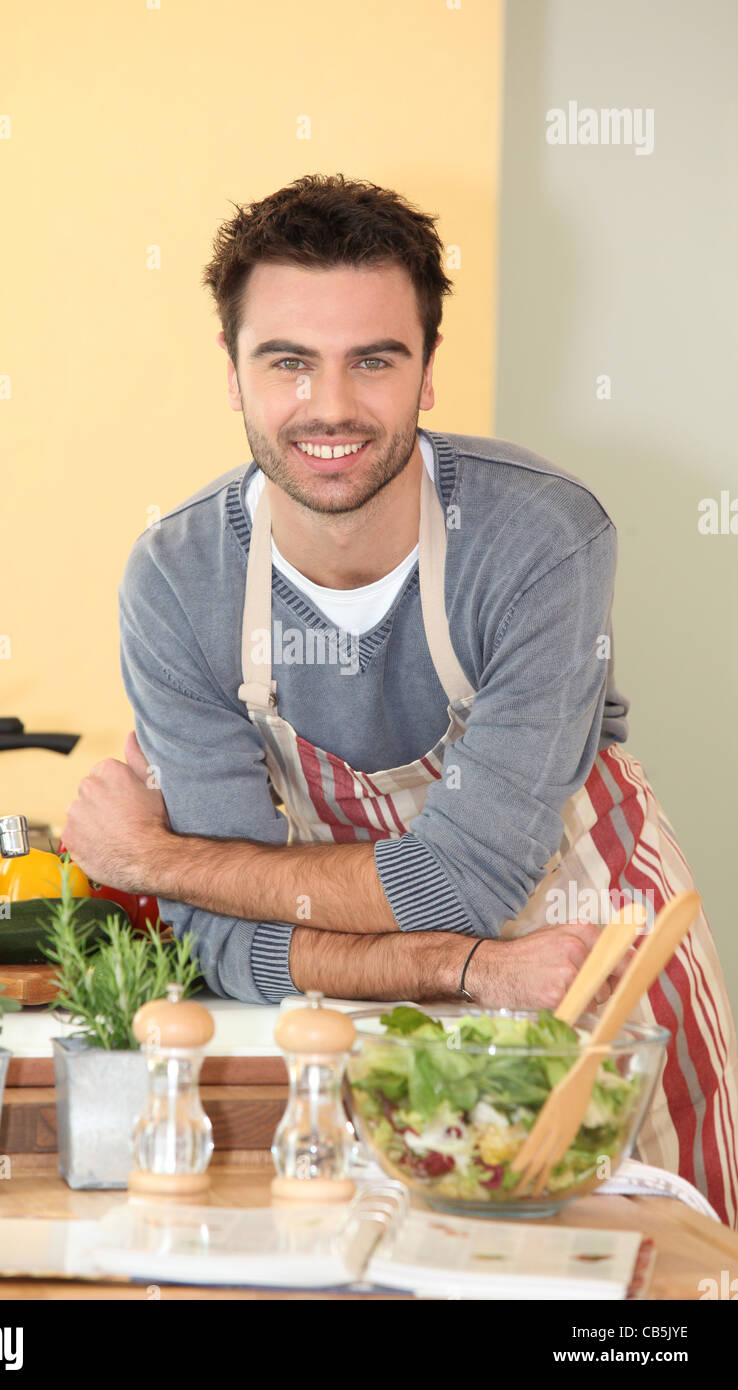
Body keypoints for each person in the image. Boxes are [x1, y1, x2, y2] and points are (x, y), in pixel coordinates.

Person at [61, 173, 738, 1226]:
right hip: (371, 1022)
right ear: (232, 376)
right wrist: (469, 970)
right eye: (287, 361)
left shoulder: (536, 539)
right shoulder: (177, 580)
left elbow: (452, 885)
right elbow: (226, 949)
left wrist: (152, 860)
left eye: (371, 360)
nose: (328, 406)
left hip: (593, 967)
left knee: (654, 1289)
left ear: (425, 374)